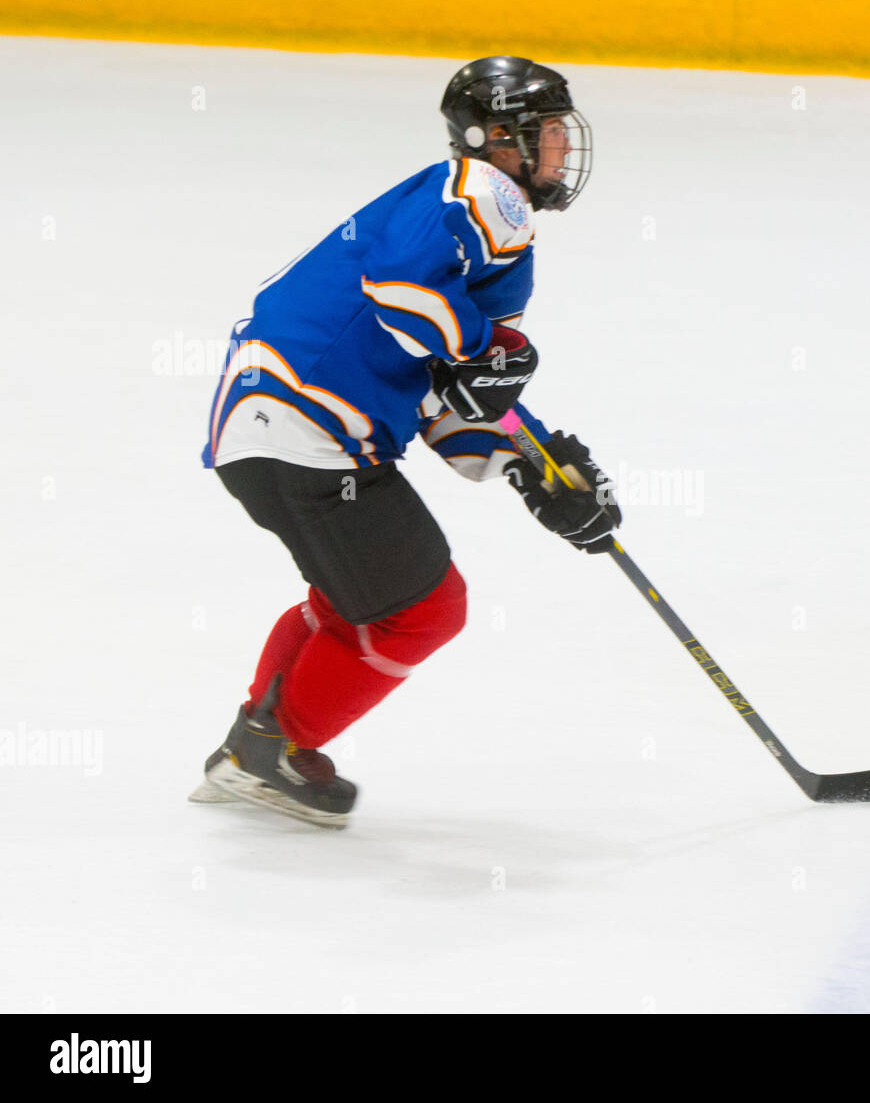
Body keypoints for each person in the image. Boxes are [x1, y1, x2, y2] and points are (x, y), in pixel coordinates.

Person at [191, 56, 621, 828]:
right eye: (547, 131)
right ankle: (269, 753)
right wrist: (492, 350)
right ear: (498, 140)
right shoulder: (481, 191)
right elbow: (400, 292)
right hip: (309, 424)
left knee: (354, 604)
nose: (561, 147)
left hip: (269, 430)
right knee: (424, 608)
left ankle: (253, 748)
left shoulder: (481, 227)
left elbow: (451, 395)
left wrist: (534, 462)